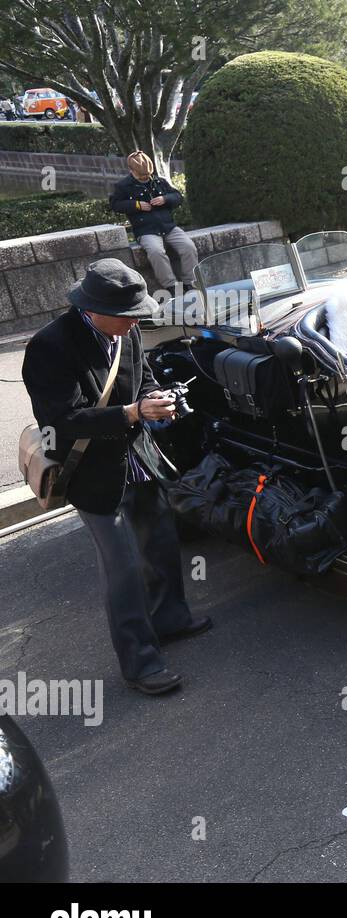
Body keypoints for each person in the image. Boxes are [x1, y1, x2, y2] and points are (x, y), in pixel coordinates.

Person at [22, 259, 211, 695]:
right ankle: (141, 664)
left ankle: (171, 617)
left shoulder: (127, 332)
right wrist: (129, 412)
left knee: (161, 540)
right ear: (92, 308)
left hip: (137, 457)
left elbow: (140, 381)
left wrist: (155, 398)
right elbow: (60, 420)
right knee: (122, 568)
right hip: (92, 472)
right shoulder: (49, 346)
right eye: (127, 314)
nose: (135, 321)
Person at [109, 151, 197, 299]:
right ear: (131, 171)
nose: (145, 178)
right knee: (156, 252)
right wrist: (136, 205)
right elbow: (115, 205)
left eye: (147, 175)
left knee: (188, 246)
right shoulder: (123, 186)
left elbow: (178, 197)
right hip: (146, 230)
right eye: (141, 176)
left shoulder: (159, 181)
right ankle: (172, 286)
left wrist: (165, 199)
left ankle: (191, 283)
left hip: (168, 226)